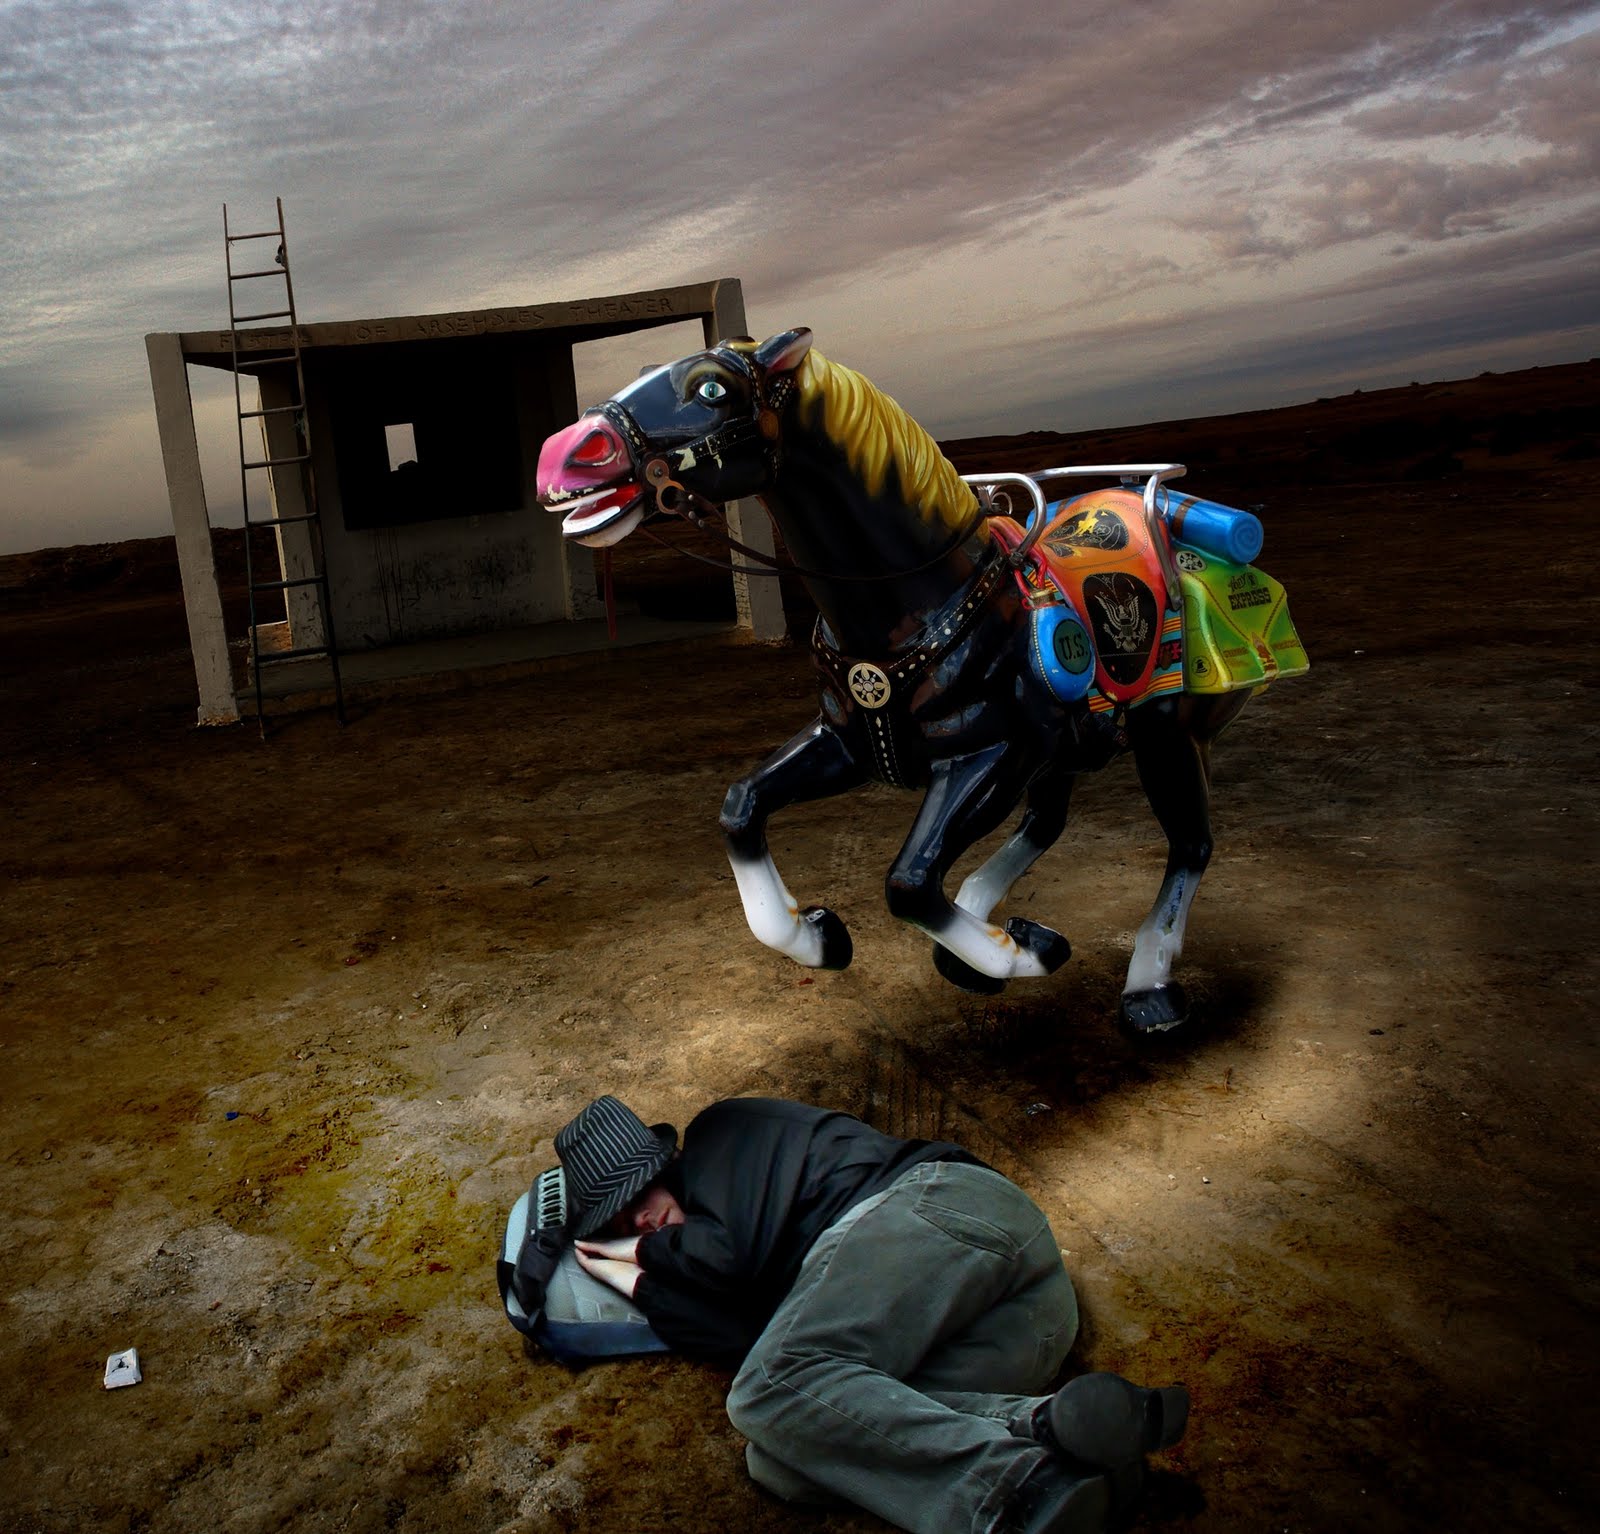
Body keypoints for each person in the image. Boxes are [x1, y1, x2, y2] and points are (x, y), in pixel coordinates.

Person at [555, 1094, 1187, 1534]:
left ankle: (1016, 1490)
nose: (638, 1217)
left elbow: (728, 1262)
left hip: (947, 1208)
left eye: (636, 1195)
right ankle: (1051, 1431)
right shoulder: (720, 1249)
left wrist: (639, 1250)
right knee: (783, 1457)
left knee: (762, 1398)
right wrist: (628, 1281)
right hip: (1031, 1320)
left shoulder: (723, 1136)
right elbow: (748, 1344)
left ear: (661, 1162)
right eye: (618, 1220)